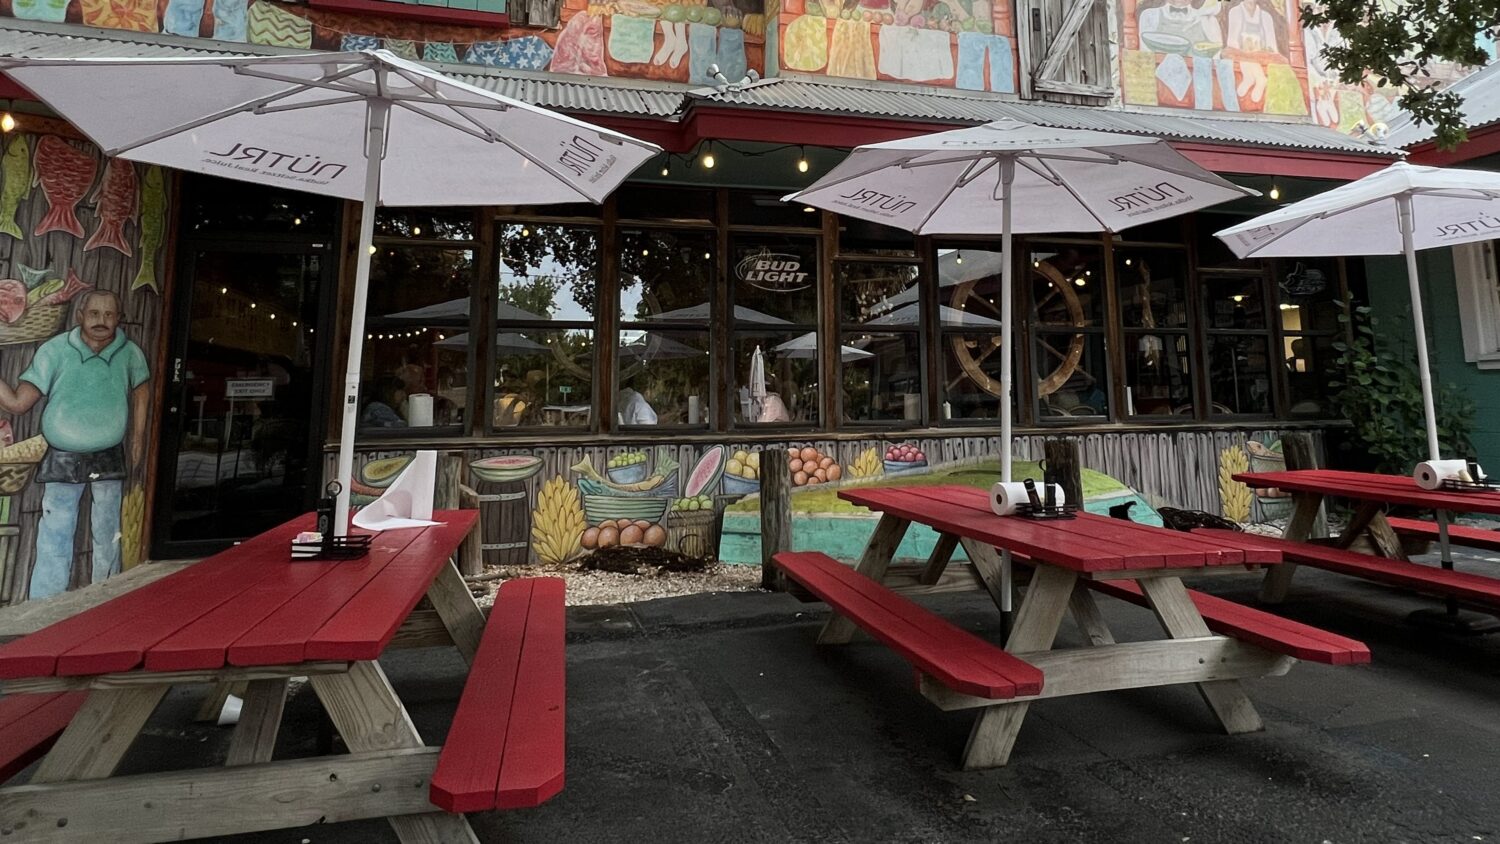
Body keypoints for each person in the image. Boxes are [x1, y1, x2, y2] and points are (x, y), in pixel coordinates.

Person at [0, 290, 149, 599]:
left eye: (109, 315)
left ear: (119, 318)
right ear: (80, 315)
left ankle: (106, 596)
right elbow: (18, 403)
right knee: (55, 528)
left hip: (108, 454)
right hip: (62, 454)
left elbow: (142, 396)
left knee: (108, 531)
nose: (101, 321)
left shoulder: (131, 353)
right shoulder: (54, 350)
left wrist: (137, 441)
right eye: (94, 313)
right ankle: (45, 601)